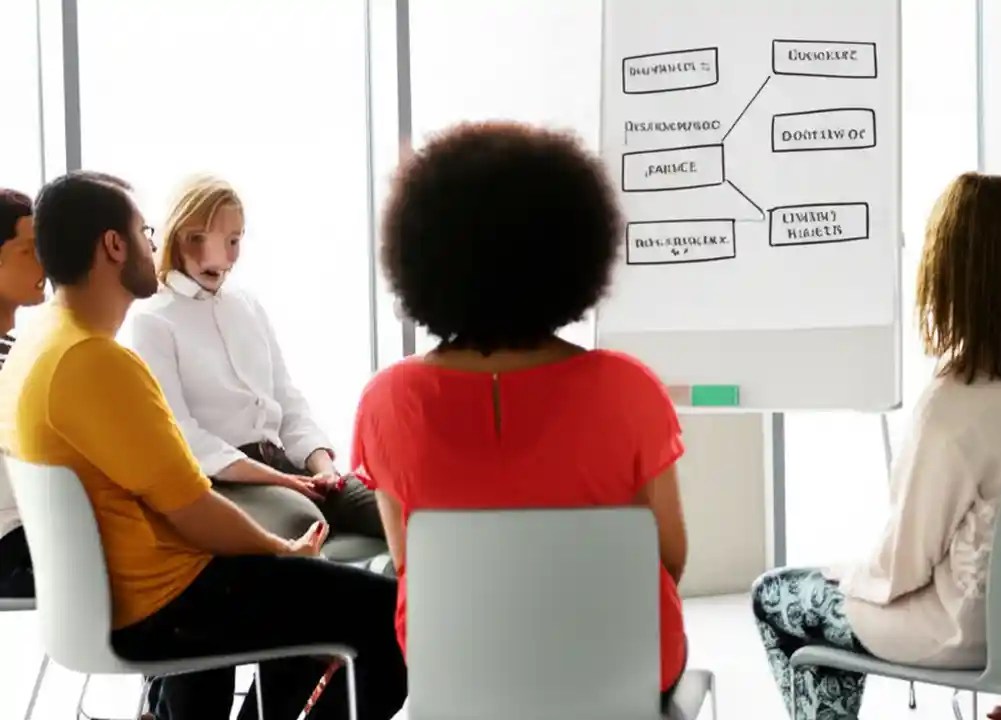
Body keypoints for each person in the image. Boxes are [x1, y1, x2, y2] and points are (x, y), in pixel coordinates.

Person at [0, 171, 405, 720]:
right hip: (165, 601)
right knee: (397, 619)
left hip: (126, 593)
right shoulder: (97, 361)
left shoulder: (40, 344)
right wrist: (280, 551)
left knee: (324, 599)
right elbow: (192, 507)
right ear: (114, 246)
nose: (152, 244)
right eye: (143, 232)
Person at [750, 173, 1001, 720]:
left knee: (777, 595)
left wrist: (849, 573)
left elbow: (904, 567)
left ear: (946, 275)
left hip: (968, 628)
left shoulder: (955, 402)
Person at [349, 121, 690, 707]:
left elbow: (413, 564)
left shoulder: (387, 401)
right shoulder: (629, 388)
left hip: (456, 676)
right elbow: (667, 559)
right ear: (575, 248)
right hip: (622, 671)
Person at [128, 176, 382, 541]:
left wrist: (324, 469)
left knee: (398, 507)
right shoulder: (152, 320)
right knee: (304, 521)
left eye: (235, 241)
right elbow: (182, 437)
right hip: (228, 481)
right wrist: (281, 480)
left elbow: (288, 400)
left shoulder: (246, 305)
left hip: (288, 465)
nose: (226, 257)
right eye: (202, 239)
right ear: (178, 237)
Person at [0, 188, 47, 599]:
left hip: (34, 531)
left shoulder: (16, 353)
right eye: (29, 250)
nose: (44, 262)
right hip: (11, 545)